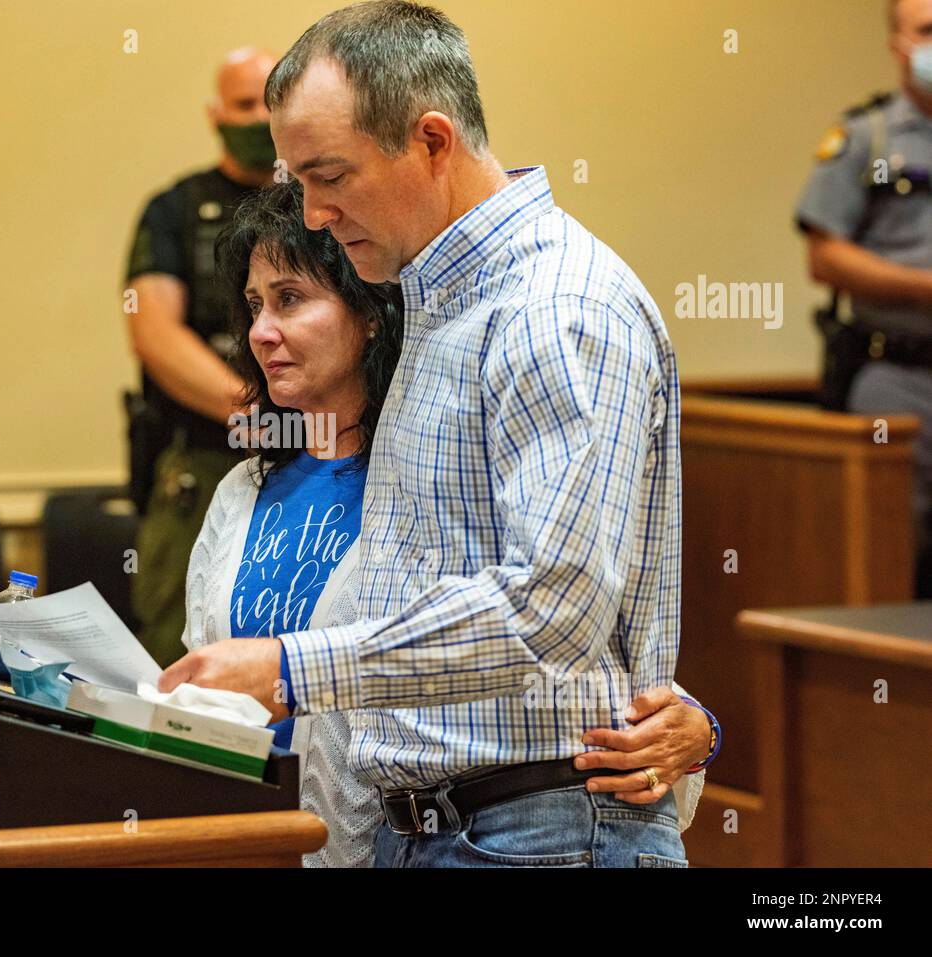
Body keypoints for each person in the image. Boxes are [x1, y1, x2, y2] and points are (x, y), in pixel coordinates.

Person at [160, 1, 717, 868]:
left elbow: (552, 606)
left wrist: (293, 669)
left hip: (538, 830)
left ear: (430, 140)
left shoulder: (552, 305)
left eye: (330, 175)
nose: (312, 214)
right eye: (297, 180)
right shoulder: (437, 299)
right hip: (437, 827)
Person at [123, 47, 279, 666]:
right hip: (207, 461)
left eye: (271, 102)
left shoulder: (319, 205)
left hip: (317, 463)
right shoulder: (174, 209)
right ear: (216, 114)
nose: (259, 119)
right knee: (179, 655)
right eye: (245, 104)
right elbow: (154, 336)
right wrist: (259, 413)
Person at [797, 0, 932, 598]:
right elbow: (824, 255)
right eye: (927, 30)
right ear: (898, 44)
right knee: (894, 552)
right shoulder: (866, 135)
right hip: (895, 374)